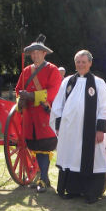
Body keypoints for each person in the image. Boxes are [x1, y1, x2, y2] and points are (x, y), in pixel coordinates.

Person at [50, 50, 106, 203]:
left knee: (90, 159)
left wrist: (100, 129)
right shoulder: (67, 82)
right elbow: (58, 105)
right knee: (71, 157)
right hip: (69, 131)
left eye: (84, 62)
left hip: (90, 131)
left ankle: (90, 192)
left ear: (90, 63)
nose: (81, 65)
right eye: (78, 62)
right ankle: (72, 189)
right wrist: (59, 125)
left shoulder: (98, 83)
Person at [15, 34, 63, 192]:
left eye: (38, 52)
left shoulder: (52, 70)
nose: (35, 55)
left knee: (44, 146)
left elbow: (54, 91)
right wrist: (20, 101)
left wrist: (33, 96)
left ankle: (44, 179)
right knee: (34, 145)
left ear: (44, 54)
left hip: (44, 114)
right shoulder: (26, 71)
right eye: (33, 53)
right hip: (30, 115)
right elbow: (17, 90)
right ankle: (41, 176)